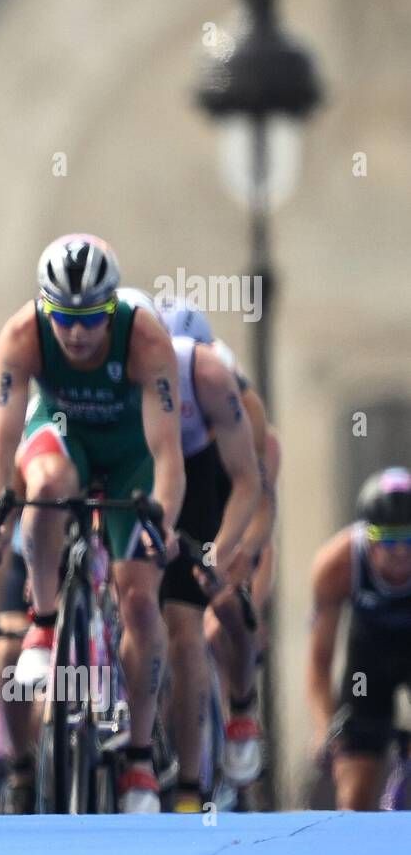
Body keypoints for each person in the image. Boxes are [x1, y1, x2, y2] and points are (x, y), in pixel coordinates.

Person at [0, 234, 184, 813]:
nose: (76, 334)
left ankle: (139, 759)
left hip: (129, 456)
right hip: (62, 437)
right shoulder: (23, 335)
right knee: (42, 486)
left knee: (141, 602)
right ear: (46, 308)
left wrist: (160, 521)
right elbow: (0, 439)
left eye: (91, 319)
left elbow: (168, 453)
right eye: (63, 318)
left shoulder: (143, 337)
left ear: (110, 307)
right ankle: (45, 623)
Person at [145, 292, 260, 812]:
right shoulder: (126, 365)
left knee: (218, 613)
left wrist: (225, 553)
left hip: (213, 487)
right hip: (146, 474)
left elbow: (255, 489)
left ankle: (240, 706)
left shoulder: (222, 386)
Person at [308, 467, 411, 810]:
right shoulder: (337, 564)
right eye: (390, 540)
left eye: (410, 539)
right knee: (353, 793)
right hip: (369, 663)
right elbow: (319, 660)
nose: (402, 553)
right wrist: (323, 727)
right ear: (368, 537)